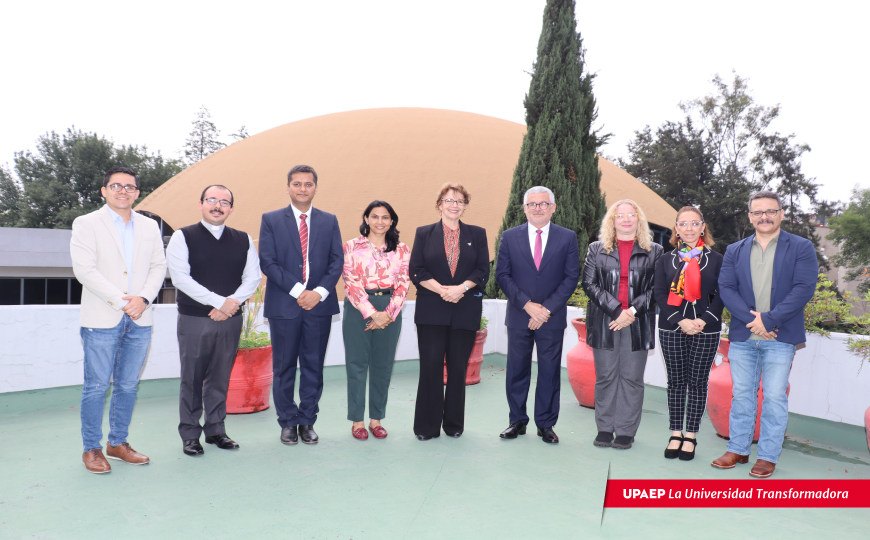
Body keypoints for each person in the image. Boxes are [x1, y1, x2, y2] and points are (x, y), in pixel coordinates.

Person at [711, 191, 817, 478]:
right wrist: (753, 321)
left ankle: (768, 456)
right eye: (758, 212)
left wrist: (769, 321)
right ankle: (738, 449)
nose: (764, 217)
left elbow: (804, 288)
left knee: (773, 396)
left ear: (781, 213)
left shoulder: (801, 247)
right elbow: (727, 289)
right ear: (750, 217)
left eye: (771, 211)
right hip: (745, 336)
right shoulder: (735, 249)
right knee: (742, 394)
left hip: (780, 337)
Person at [70, 166, 167, 473]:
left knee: (127, 386)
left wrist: (144, 299)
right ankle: (92, 449)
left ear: (137, 193)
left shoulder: (150, 227)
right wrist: (123, 301)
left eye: (129, 187)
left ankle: (118, 444)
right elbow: (85, 270)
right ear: (104, 190)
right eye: (116, 186)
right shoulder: (86, 223)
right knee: (96, 387)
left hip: (140, 317)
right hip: (102, 316)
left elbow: (158, 267)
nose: (123, 191)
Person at [166, 185, 261, 456]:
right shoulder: (183, 236)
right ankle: (190, 434)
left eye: (224, 202)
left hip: (230, 319)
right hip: (195, 319)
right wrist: (220, 302)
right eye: (212, 200)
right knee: (192, 379)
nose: (217, 205)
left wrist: (231, 305)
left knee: (220, 378)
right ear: (201, 204)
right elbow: (181, 278)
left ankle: (216, 430)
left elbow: (253, 277)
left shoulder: (243, 239)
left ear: (231, 208)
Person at [259, 165, 343, 445]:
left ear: (315, 188)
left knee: (313, 366)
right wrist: (299, 291)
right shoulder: (271, 219)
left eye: (308, 184)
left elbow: (336, 261)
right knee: (283, 367)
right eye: (297, 184)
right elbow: (267, 262)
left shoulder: (329, 220)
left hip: (319, 306)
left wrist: (318, 292)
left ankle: (307, 421)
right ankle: (287, 422)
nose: (303, 189)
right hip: (285, 305)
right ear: (288, 187)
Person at [495, 186, 579, 444]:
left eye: (543, 204)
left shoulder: (567, 237)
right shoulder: (510, 237)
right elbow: (502, 275)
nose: (538, 208)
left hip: (551, 318)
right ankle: (517, 421)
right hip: (520, 315)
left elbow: (570, 277)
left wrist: (546, 310)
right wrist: (527, 305)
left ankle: (546, 424)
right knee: (516, 370)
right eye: (532, 204)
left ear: (553, 207)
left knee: (549, 372)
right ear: (524, 208)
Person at [409, 183, 489, 440]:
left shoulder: (477, 234)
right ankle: (426, 427)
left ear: (465, 206)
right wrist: (442, 290)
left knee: (458, 369)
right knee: (430, 368)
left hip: (464, 310)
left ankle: (454, 425)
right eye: (449, 200)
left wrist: (460, 289)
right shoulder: (424, 233)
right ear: (439, 204)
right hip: (432, 310)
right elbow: (417, 270)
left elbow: (482, 271)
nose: (454, 205)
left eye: (460, 201)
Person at [582, 199, 662, 450]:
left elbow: (657, 288)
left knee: (631, 378)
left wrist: (632, 311)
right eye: (620, 215)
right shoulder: (596, 248)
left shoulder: (655, 250)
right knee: (605, 376)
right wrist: (617, 310)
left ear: (639, 220)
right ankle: (605, 428)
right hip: (605, 319)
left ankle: (626, 431)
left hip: (637, 323)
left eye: (631, 215)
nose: (626, 219)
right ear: (612, 221)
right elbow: (589, 284)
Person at [653, 206, 724, 461]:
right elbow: (660, 294)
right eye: (683, 224)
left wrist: (703, 320)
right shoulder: (665, 259)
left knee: (697, 382)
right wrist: (681, 321)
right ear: (677, 229)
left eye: (695, 223)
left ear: (703, 227)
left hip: (706, 329)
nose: (689, 228)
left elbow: (721, 295)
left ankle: (691, 435)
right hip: (672, 327)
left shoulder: (716, 259)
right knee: (675, 381)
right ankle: (675, 433)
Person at [341, 201, 410, 440]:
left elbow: (404, 283)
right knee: (357, 365)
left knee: (383, 366)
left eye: (385, 217)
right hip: (358, 309)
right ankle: (357, 422)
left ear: (392, 221)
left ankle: (376, 420)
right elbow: (350, 281)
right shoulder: (351, 246)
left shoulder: (402, 249)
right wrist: (371, 313)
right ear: (366, 219)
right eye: (374, 216)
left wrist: (388, 314)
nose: (380, 221)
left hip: (390, 308)